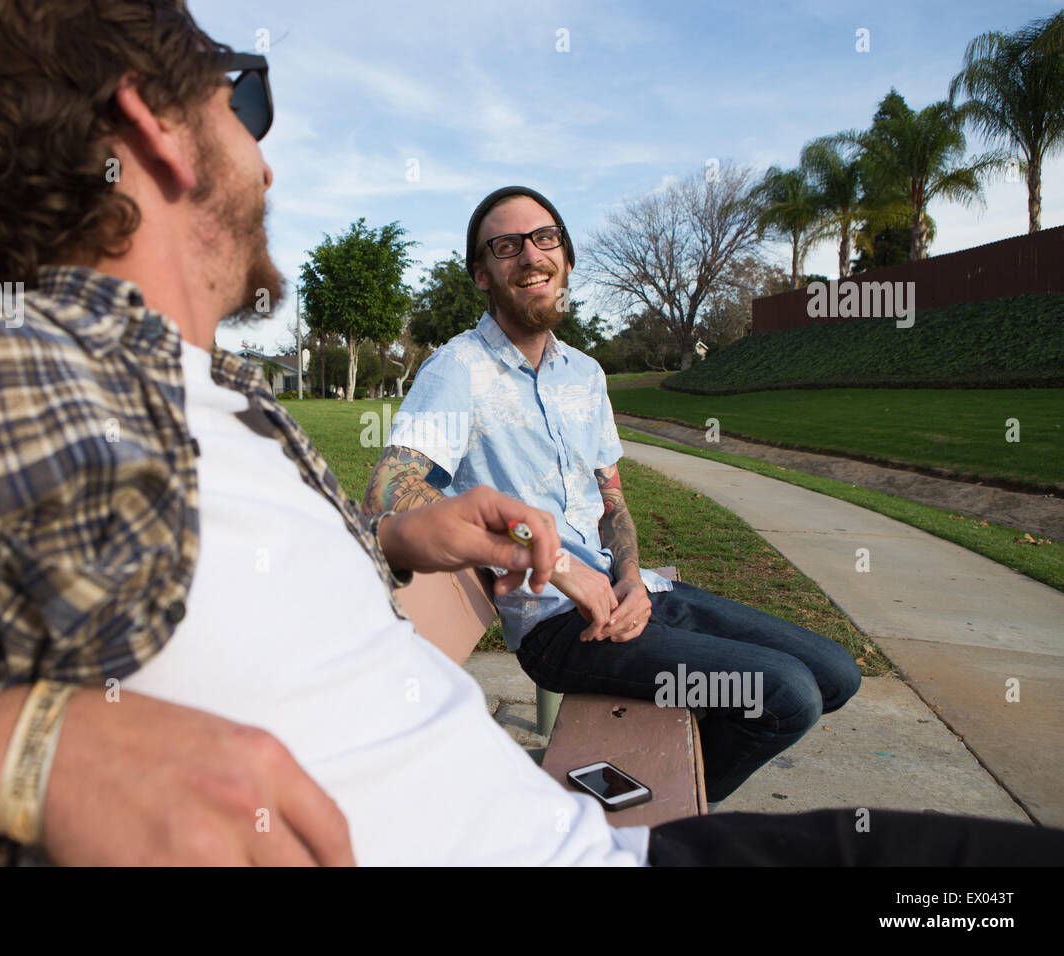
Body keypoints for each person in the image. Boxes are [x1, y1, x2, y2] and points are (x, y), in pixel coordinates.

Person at [0, 0, 1057, 867]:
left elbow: (276, 603)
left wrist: (393, 540)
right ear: (157, 130)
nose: (265, 162)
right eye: (245, 98)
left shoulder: (223, 407)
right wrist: (17, 754)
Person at [363, 185, 861, 805]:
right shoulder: (458, 369)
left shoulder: (587, 375)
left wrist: (628, 575)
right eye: (505, 245)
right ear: (482, 276)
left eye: (545, 238)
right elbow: (387, 490)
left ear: (566, 259)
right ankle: (636, 826)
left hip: (636, 591)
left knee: (837, 674)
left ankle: (631, 795)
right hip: (557, 624)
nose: (530, 255)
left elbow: (612, 500)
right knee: (784, 695)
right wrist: (554, 563)